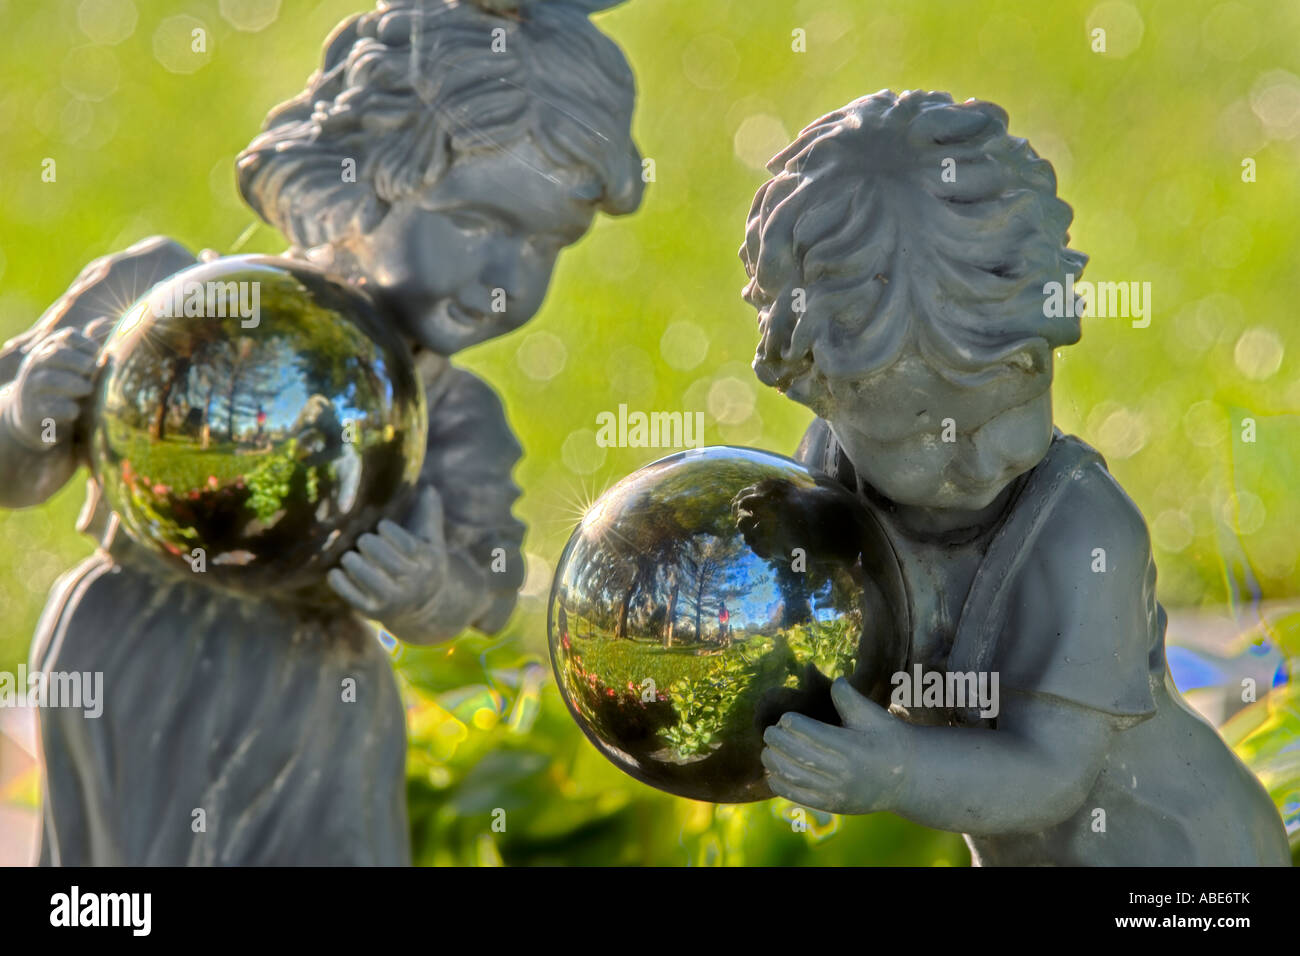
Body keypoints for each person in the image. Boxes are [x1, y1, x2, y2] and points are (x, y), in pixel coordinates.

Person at [1, 0, 643, 865]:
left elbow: (491, 579)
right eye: (479, 222)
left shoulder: (451, 413)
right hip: (130, 652)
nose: (507, 277)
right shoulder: (163, 312)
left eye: (544, 245)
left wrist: (430, 594)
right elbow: (16, 474)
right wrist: (30, 412)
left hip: (312, 692)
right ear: (362, 176)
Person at [742, 89, 1290, 865]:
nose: (975, 459)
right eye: (916, 433)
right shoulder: (830, 485)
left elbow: (1052, 772)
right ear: (816, 390)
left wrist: (895, 768)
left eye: (1011, 407)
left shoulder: (1083, 536)